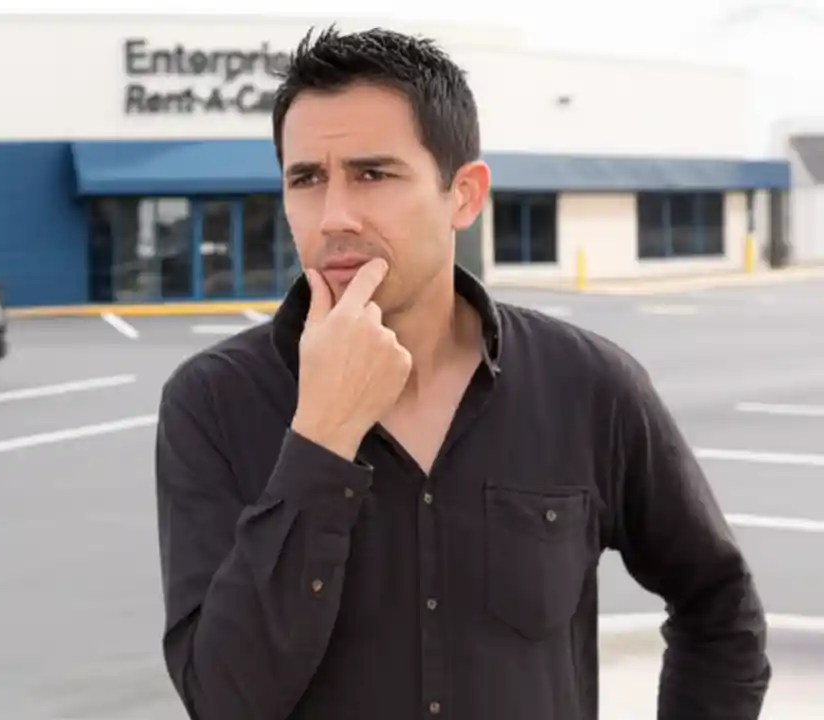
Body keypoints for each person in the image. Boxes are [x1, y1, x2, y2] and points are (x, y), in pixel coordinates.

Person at [153, 25, 771, 720]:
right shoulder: (211, 403)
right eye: (307, 179)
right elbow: (223, 700)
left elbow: (720, 606)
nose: (333, 216)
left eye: (373, 174)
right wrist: (321, 439)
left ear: (464, 195)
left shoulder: (588, 384)